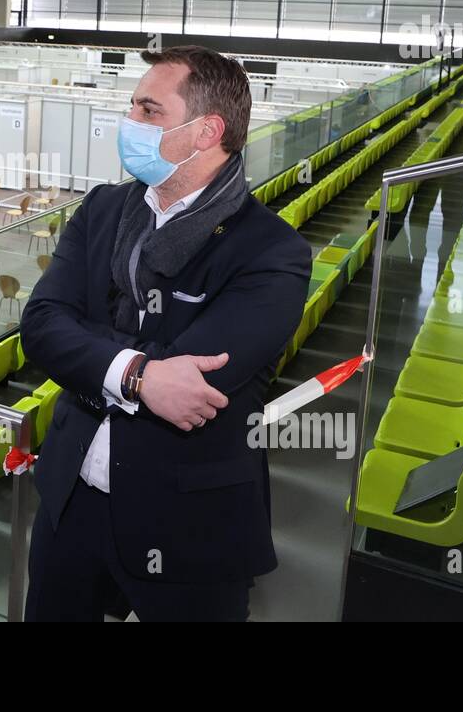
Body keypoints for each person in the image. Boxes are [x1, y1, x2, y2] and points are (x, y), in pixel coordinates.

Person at [19, 45, 311, 622]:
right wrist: (136, 373)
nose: (129, 124)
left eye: (148, 111)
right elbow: (42, 325)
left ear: (207, 131)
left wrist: (97, 344)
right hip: (71, 502)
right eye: (132, 108)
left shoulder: (272, 253)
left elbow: (194, 380)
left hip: (189, 523)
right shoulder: (102, 209)